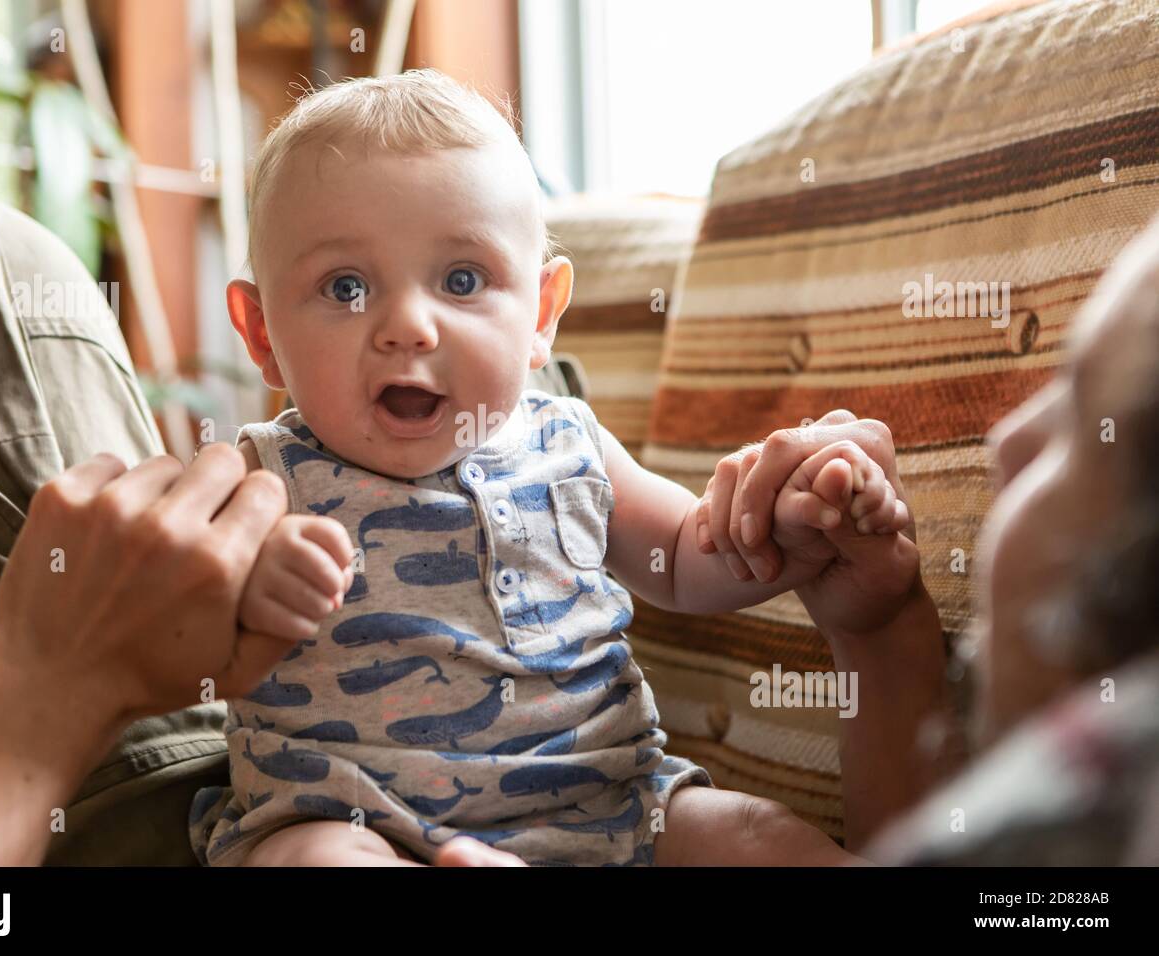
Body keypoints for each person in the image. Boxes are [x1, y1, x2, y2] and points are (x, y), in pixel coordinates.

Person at [188, 69, 939, 867]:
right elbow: (171, 634)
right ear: (262, 332)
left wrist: (785, 527)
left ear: (542, 314)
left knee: (758, 835)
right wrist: (243, 598)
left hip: (612, 808)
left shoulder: (570, 442)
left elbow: (685, 560)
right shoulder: (261, 478)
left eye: (462, 280)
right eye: (346, 288)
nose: (408, 326)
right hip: (358, 820)